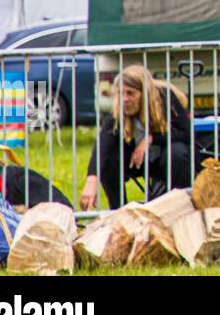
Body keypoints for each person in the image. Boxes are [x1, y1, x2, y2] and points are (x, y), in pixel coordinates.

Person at [80, 64, 191, 210]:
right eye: (121, 93)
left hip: (166, 159)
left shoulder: (166, 98)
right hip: (137, 163)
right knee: (109, 160)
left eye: (130, 93)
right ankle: (119, 211)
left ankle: (180, 207)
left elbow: (187, 134)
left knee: (177, 152)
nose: (125, 99)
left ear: (144, 94)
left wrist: (151, 139)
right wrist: (91, 180)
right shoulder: (119, 111)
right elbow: (103, 144)